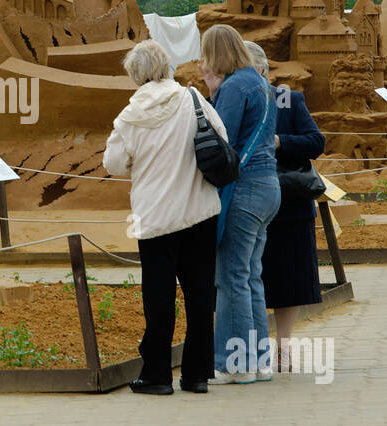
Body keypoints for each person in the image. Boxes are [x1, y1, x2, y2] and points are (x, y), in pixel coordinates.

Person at [104, 40, 227, 395]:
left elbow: (112, 164)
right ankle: (197, 374)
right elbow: (222, 136)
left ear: (135, 75)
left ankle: (157, 375)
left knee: (158, 298)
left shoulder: (130, 116)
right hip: (200, 211)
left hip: (155, 217)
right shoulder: (193, 99)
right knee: (200, 295)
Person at [199, 25, 280, 383]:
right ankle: (259, 360)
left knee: (231, 277)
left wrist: (211, 98)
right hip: (268, 185)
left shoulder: (233, 87)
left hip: (244, 188)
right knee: (250, 276)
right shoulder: (261, 83)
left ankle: (236, 364)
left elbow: (221, 139)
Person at [248, 43, 326, 373]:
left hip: (290, 203)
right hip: (251, 205)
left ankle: (284, 344)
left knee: (289, 279)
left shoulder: (286, 99)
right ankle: (255, 346)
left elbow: (315, 141)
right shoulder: (232, 100)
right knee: (254, 277)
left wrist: (280, 142)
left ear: (264, 72)